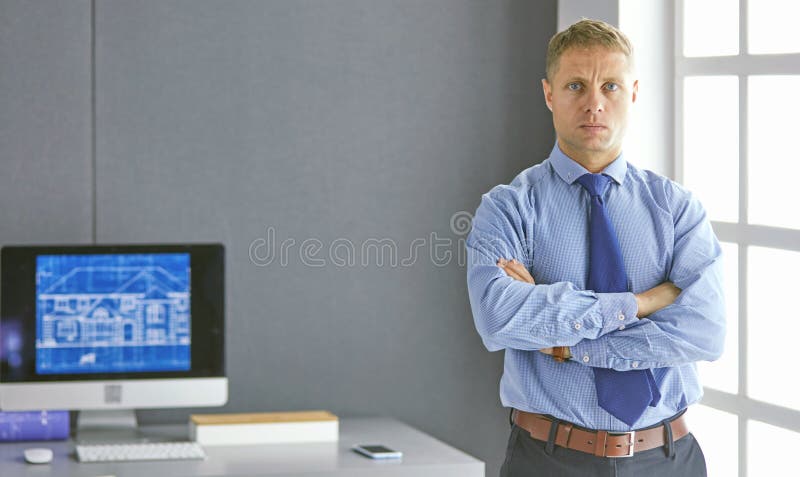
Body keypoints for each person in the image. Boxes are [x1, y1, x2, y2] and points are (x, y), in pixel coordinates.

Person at [465, 19, 725, 476]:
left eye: (610, 86)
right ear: (549, 94)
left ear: (634, 93)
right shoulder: (507, 209)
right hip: (548, 461)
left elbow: (703, 331)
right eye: (575, 85)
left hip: (668, 459)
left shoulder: (677, 209)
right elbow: (499, 317)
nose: (594, 104)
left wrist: (565, 344)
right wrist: (642, 304)